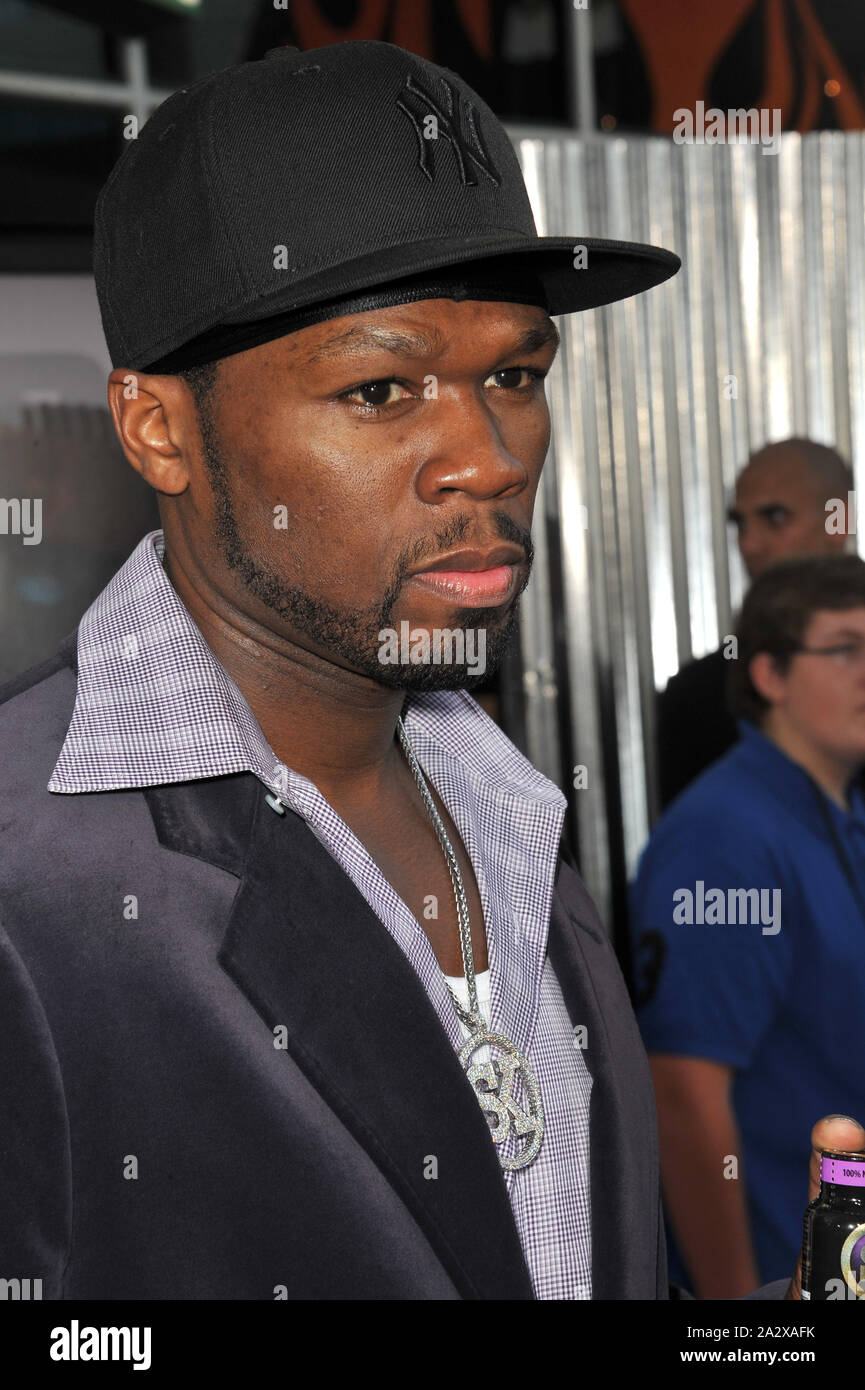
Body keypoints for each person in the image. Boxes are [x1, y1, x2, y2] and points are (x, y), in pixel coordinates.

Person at [0, 39, 855, 1302]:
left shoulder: (503, 814)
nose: (489, 454)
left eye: (514, 374)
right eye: (382, 388)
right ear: (158, 428)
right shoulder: (32, 885)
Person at [633, 554, 865, 1297]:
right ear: (769, 676)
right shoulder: (722, 838)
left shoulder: (840, 816)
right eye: (845, 649)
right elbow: (680, 1093)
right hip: (774, 1277)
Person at [657, 438, 853, 807]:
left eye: (774, 517)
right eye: (740, 523)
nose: (749, 543)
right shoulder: (697, 698)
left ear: (838, 519)